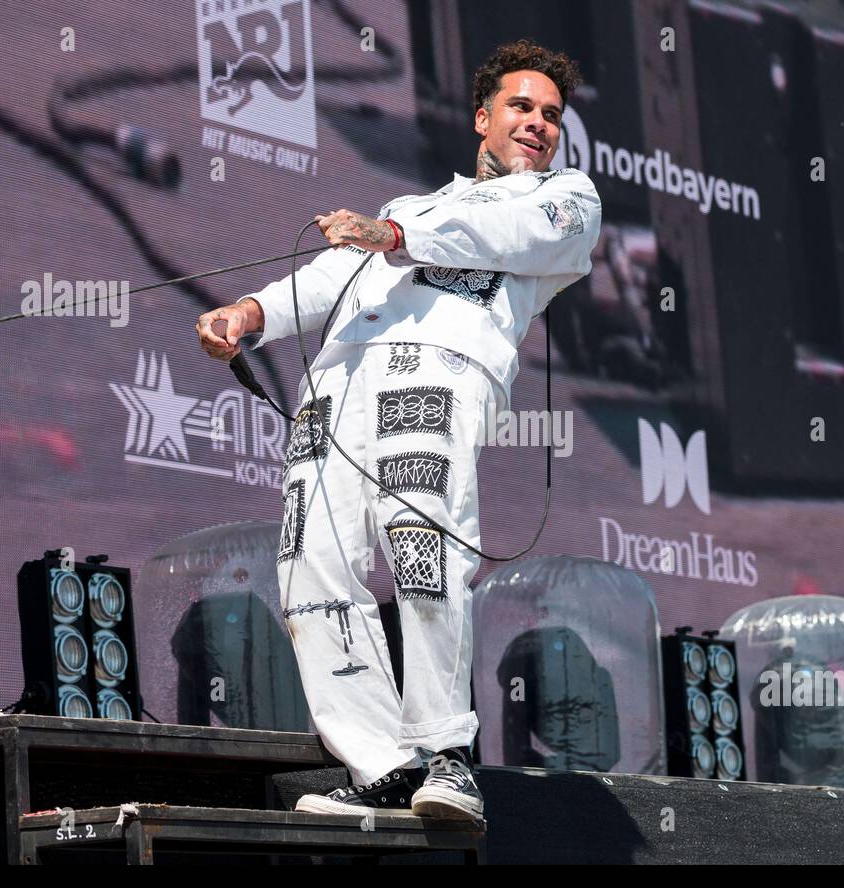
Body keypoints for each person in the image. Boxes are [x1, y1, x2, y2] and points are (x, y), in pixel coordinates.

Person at [195, 39, 602, 823]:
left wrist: (389, 237)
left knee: (423, 544)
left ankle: (448, 755)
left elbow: (509, 236)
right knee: (309, 568)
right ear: (482, 118)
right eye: (521, 107)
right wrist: (248, 314)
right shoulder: (411, 207)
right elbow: (329, 277)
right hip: (337, 384)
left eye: (552, 114)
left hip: (435, 369)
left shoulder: (566, 200)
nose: (539, 124)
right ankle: (380, 760)